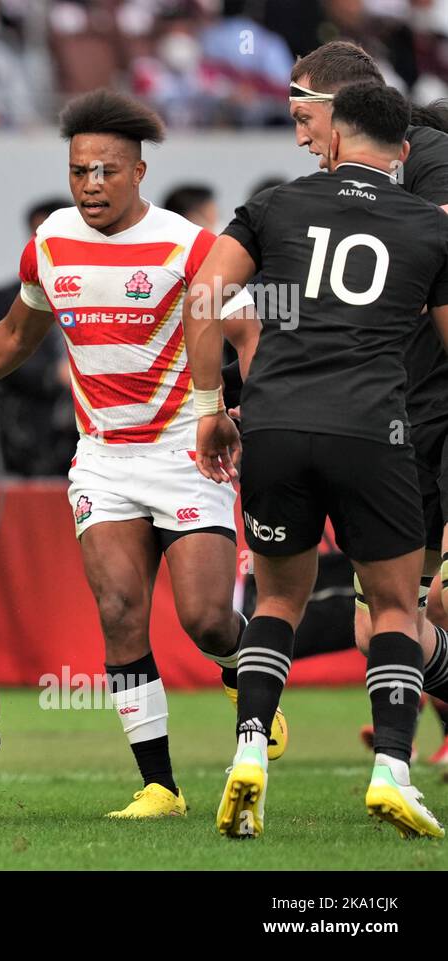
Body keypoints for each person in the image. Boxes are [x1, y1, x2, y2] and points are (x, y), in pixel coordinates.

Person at [0, 89, 286, 819]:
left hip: (184, 449)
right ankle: (160, 786)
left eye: (106, 171)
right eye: (79, 171)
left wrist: (245, 406)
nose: (92, 185)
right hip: (102, 457)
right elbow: (18, 335)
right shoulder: (49, 242)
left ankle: (246, 671)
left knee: (206, 619)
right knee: (118, 611)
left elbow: (245, 331)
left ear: (139, 171)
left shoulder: (189, 245)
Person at [185, 82, 448, 840]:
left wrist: (211, 412)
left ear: (334, 139)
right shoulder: (428, 228)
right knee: (397, 605)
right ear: (402, 153)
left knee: (275, 602)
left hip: (274, 425)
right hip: (374, 430)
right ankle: (393, 769)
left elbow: (205, 297)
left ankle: (249, 755)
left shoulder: (276, 204)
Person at [286, 39, 448, 766]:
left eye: (302, 115)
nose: (298, 136)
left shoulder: (433, 159)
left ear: (342, 109)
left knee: (440, 605)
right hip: (398, 415)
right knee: (381, 629)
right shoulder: (332, 195)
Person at [0, 197, 77, 476]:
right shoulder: (6, 297)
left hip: (86, 429)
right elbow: (1, 358)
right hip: (27, 429)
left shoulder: (101, 290)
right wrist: (54, 374)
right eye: (38, 235)